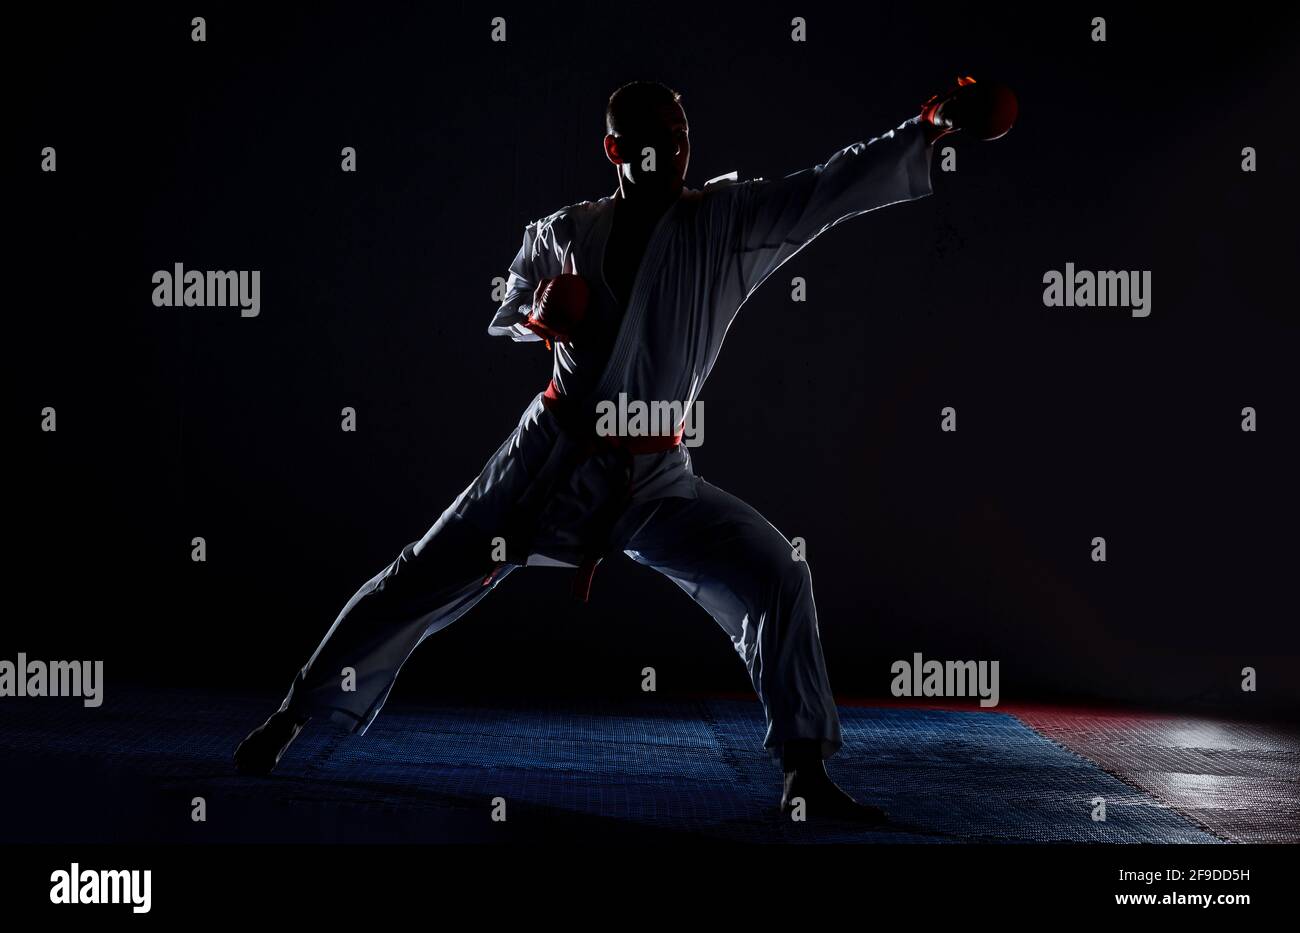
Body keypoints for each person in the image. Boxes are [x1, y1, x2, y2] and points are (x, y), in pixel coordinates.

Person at [236, 77, 1004, 822]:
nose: (672, 152)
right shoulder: (568, 231)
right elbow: (505, 302)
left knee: (777, 571)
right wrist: (538, 315)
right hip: (546, 457)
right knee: (416, 577)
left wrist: (927, 128)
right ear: (615, 148)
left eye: (680, 136)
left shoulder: (725, 222)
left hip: (652, 475)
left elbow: (829, 185)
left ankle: (805, 771)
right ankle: (292, 714)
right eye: (652, 140)